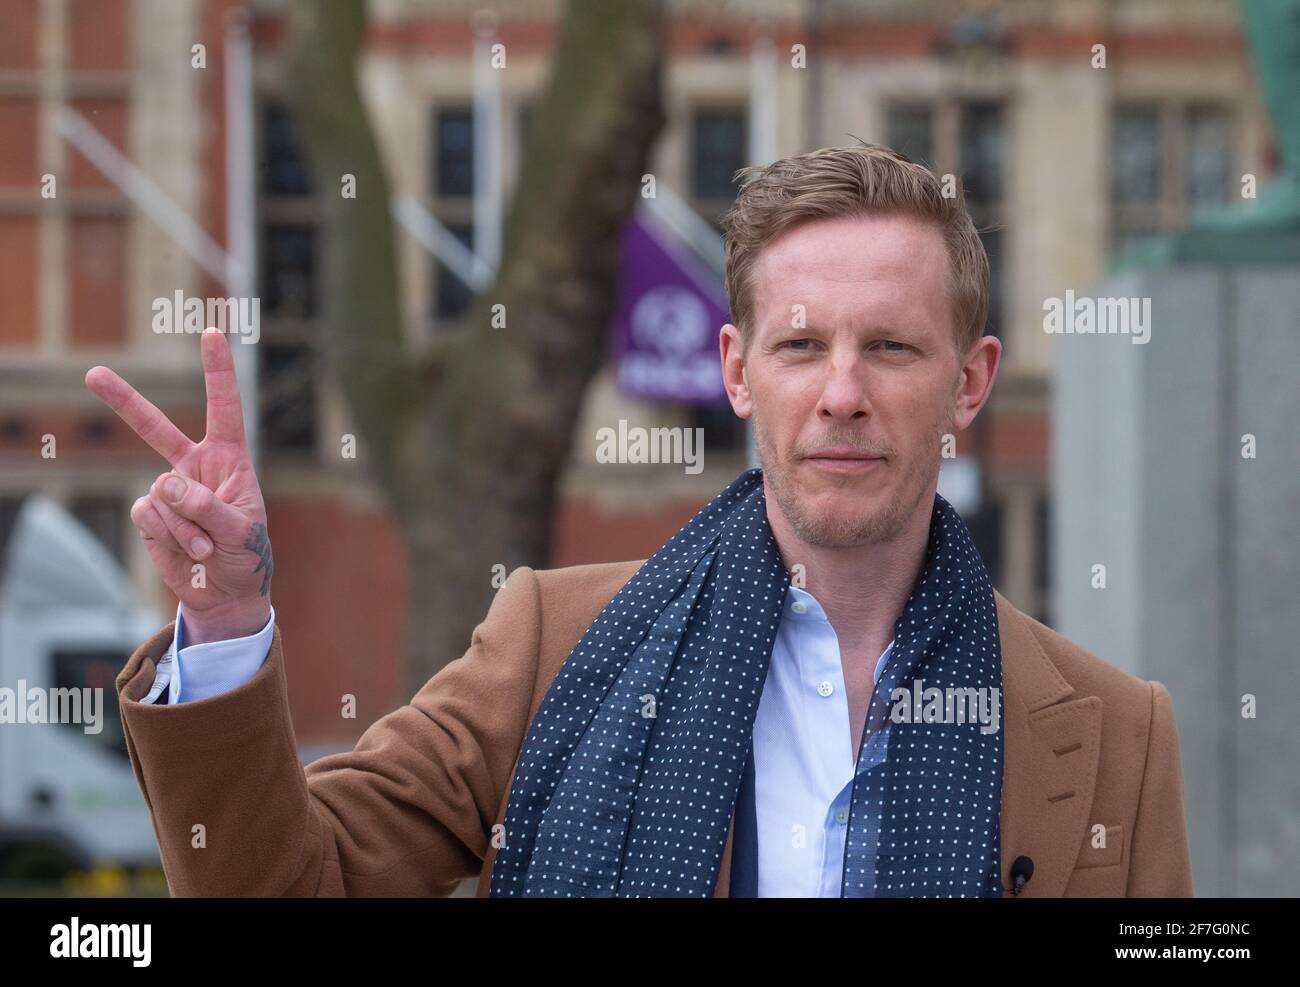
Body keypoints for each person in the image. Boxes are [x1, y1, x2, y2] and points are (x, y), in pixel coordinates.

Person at [91, 143, 1193, 898]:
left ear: (969, 381)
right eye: (802, 346)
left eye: (892, 348)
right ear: (738, 370)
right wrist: (229, 621)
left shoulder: (1113, 735)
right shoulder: (547, 647)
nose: (842, 393)